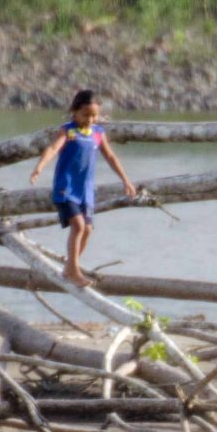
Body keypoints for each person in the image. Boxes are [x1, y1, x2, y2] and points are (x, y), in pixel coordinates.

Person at [29, 89, 138, 287]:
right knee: (78, 226)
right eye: (85, 115)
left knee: (87, 229)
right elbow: (53, 148)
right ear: (74, 111)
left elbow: (111, 157)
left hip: (85, 191)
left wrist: (126, 180)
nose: (90, 119)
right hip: (66, 188)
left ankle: (69, 268)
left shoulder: (98, 133)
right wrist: (39, 167)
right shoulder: (68, 130)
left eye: (94, 115)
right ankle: (74, 272)